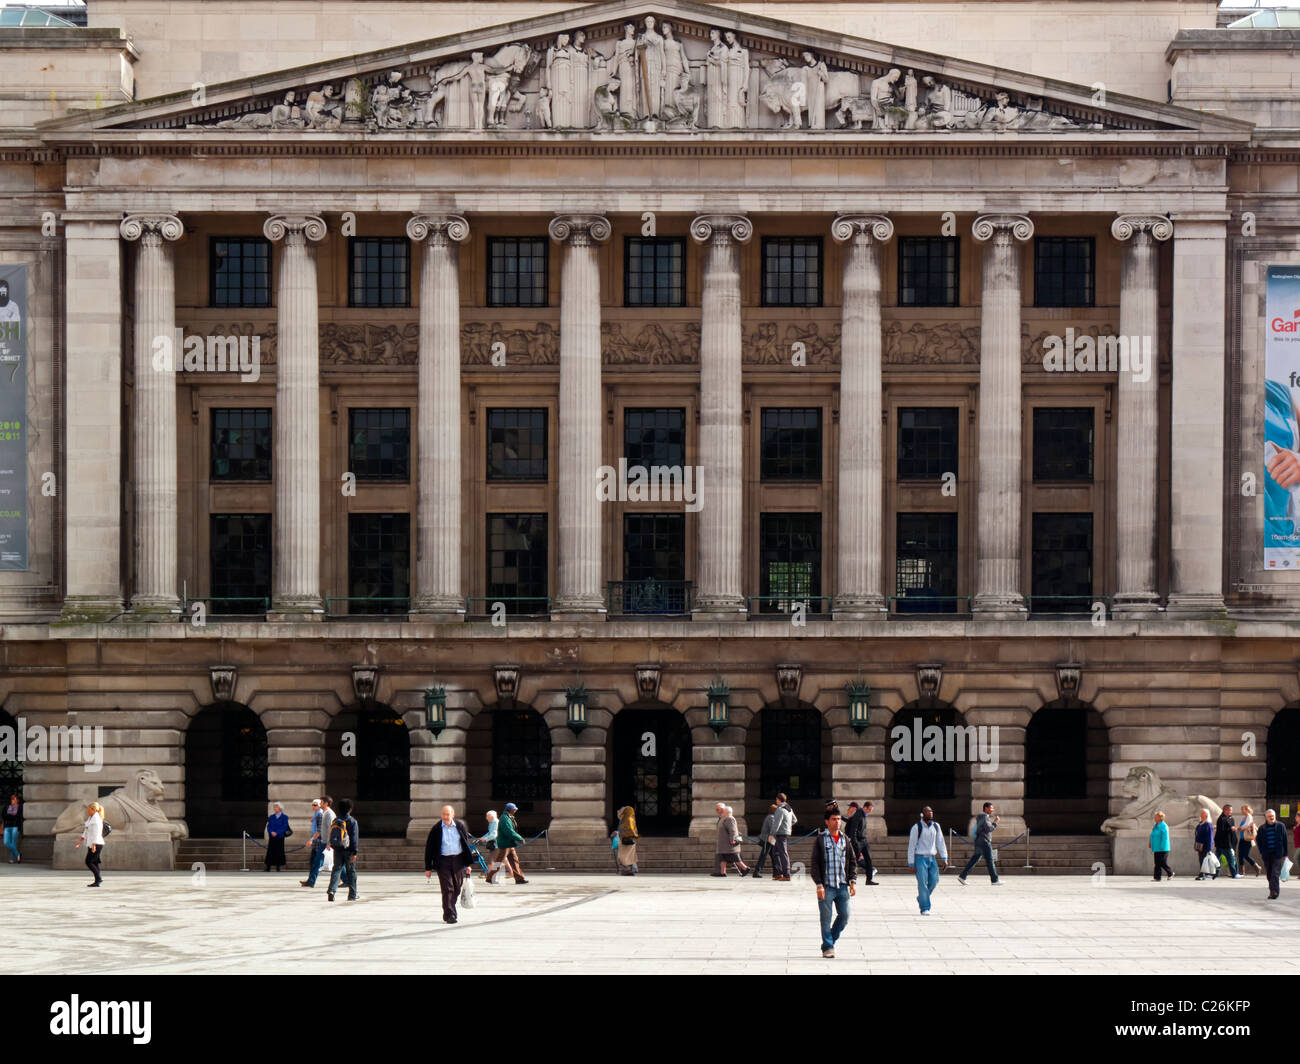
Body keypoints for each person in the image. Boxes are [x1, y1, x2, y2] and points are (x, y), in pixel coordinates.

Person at [811, 803, 857, 958]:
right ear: (827, 821)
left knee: (845, 916)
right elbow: (815, 864)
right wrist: (818, 884)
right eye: (834, 819)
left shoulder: (846, 840)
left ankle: (828, 941)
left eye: (839, 819)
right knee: (825, 919)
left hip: (843, 886)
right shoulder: (821, 840)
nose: (837, 822)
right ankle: (828, 948)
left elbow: (852, 862)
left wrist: (853, 880)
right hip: (827, 886)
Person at [424, 805, 478, 923]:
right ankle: (450, 915)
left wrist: (468, 864)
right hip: (442, 861)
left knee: (457, 887)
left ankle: (450, 909)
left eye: (447, 814)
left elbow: (465, 845)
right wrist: (428, 867)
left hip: (458, 860)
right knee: (448, 888)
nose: (445, 817)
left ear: (453, 815)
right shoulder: (436, 828)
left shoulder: (459, 826)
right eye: (443, 814)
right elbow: (429, 848)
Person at [906, 806, 948, 914]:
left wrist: (944, 857)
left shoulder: (936, 826)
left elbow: (940, 842)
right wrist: (911, 862)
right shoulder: (917, 827)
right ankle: (925, 908)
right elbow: (911, 846)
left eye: (931, 811)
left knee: (934, 881)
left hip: (932, 858)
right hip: (920, 858)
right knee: (922, 884)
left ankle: (921, 898)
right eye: (928, 812)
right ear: (922, 814)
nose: (930, 813)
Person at [958, 802, 1001, 886]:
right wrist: (996, 822)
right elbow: (989, 829)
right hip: (984, 842)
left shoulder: (981, 817)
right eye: (991, 808)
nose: (993, 810)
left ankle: (962, 876)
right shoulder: (984, 817)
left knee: (975, 859)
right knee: (990, 860)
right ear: (986, 808)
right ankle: (995, 880)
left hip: (979, 841)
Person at [326, 798, 359, 902]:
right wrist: (355, 851)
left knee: (336, 870)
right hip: (348, 850)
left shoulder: (335, 820)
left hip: (337, 849)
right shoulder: (352, 821)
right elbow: (354, 838)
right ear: (350, 809)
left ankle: (331, 891)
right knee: (351, 872)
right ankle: (352, 895)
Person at [488, 802, 528, 884]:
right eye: (514, 809)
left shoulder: (509, 817)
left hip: (509, 844)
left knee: (514, 861)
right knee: (498, 862)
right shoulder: (504, 818)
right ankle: (490, 877)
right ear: (510, 810)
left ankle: (519, 878)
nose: (515, 811)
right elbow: (509, 831)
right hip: (505, 844)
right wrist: (519, 838)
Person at [1256, 808, 1289, 899]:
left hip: (1277, 854)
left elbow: (1285, 840)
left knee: (1275, 873)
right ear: (1266, 818)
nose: (1271, 818)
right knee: (1269, 874)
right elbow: (1258, 840)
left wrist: (1286, 853)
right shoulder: (1262, 828)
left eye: (1273, 816)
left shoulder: (1281, 826)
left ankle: (1274, 892)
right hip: (1266, 854)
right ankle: (1272, 891)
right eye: (1269, 816)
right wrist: (1261, 851)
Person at [844, 800, 878, 885]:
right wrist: (855, 842)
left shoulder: (863, 815)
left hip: (864, 841)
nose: (870, 812)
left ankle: (869, 879)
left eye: (871, 810)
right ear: (865, 808)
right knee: (853, 861)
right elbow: (853, 829)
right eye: (869, 809)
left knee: (868, 859)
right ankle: (848, 879)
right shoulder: (858, 814)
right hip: (858, 841)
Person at [74, 801, 105, 887]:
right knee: (94, 862)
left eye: (89, 810)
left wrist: (94, 845)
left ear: (94, 810)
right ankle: (98, 880)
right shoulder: (91, 818)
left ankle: (99, 879)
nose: (88, 811)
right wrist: (80, 840)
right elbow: (86, 830)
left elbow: (97, 833)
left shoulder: (96, 819)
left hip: (96, 843)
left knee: (89, 862)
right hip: (92, 843)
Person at [713, 803, 749, 876]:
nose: (722, 812)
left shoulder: (729, 819)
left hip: (728, 844)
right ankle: (722, 872)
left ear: (726, 812)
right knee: (722, 857)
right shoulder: (725, 818)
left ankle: (745, 868)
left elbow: (732, 830)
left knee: (734, 857)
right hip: (723, 843)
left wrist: (732, 840)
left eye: (723, 811)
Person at [770, 792, 796, 882]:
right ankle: (779, 873)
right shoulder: (789, 808)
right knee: (775, 852)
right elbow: (795, 820)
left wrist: (771, 834)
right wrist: (787, 826)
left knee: (783, 853)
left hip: (780, 833)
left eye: (776, 799)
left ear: (778, 800)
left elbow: (777, 823)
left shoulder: (780, 809)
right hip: (785, 832)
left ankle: (786, 875)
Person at [751, 803, 779, 878]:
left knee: (774, 856)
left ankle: (776, 872)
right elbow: (773, 829)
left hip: (769, 840)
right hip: (768, 840)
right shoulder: (771, 817)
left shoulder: (769, 817)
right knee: (763, 856)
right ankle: (756, 872)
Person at [300, 798, 324, 887]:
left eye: (315, 805)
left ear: (320, 805)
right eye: (312, 805)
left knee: (317, 863)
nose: (313, 806)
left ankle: (345, 879)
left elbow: (319, 830)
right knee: (313, 862)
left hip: (319, 842)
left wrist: (311, 839)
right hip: (316, 842)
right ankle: (310, 881)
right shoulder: (316, 814)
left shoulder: (320, 814)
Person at [1215, 804, 1239, 879]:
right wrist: (1230, 829)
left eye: (1231, 810)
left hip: (1229, 842)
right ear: (1225, 810)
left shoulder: (1231, 818)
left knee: (1218, 859)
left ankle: (1215, 873)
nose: (1231, 811)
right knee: (1231, 859)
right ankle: (1234, 874)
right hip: (1224, 843)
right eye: (1230, 810)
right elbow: (1221, 831)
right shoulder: (1221, 819)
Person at [265, 801, 290, 872]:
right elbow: (268, 826)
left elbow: (284, 826)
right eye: (274, 807)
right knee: (270, 851)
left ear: (280, 808)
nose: (274, 808)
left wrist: (277, 832)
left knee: (279, 851)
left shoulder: (284, 817)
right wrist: (271, 832)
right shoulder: (271, 817)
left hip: (280, 836)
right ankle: (268, 866)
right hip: (272, 836)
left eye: (276, 807)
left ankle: (278, 866)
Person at [1238, 804, 1262, 877]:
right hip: (1242, 838)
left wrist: (1240, 828)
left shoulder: (1249, 816)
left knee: (1245, 855)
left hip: (1247, 839)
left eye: (1243, 809)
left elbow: (1246, 825)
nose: (1241, 811)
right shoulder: (1244, 817)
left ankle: (1257, 867)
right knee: (1240, 855)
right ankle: (1242, 872)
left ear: (1246, 810)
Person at [1149, 811, 1174, 881]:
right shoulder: (1156, 825)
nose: (1154, 818)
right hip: (1156, 847)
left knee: (1162, 862)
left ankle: (1170, 873)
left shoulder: (1163, 825)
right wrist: (1150, 843)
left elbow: (1165, 837)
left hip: (1163, 848)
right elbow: (1152, 835)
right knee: (1157, 863)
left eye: (1156, 817)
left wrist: (1162, 846)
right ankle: (1157, 877)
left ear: (1160, 818)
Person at [615, 804, 639, 875]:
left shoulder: (627, 819)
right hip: (628, 839)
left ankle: (628, 869)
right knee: (628, 855)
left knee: (625, 855)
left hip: (625, 839)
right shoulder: (628, 819)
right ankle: (629, 869)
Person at [1194, 808, 1215, 880]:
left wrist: (1209, 849)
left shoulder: (1208, 825)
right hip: (1200, 846)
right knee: (1201, 860)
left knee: (1204, 860)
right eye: (1201, 813)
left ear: (1206, 815)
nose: (1201, 815)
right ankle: (1203, 874)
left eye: (1202, 813)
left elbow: (1210, 837)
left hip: (1205, 846)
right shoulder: (1200, 824)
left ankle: (1202, 875)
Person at [3, 793, 21, 863]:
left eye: (14, 799)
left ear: (17, 800)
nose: (12, 800)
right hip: (7, 827)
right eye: (12, 799)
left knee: (13, 843)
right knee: (6, 842)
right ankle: (18, 854)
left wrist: (10, 816)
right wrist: (11, 816)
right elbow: (4, 816)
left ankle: (11, 859)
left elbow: (18, 818)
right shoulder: (7, 807)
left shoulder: (19, 807)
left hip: (15, 827)